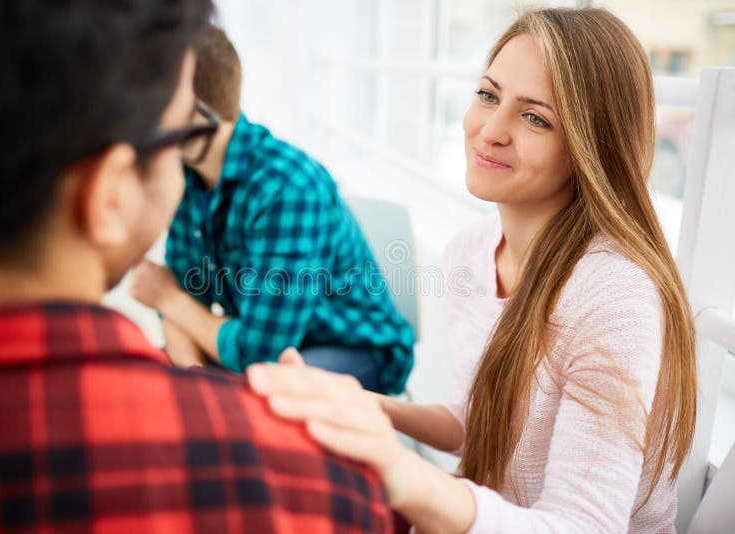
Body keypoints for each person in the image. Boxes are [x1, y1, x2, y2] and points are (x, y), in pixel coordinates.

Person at [0, 2, 395, 532]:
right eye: (170, 138)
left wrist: (173, 307)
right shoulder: (323, 494)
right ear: (111, 194)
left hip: (342, 345)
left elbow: (245, 339)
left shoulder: (289, 186)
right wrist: (190, 370)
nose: (173, 164)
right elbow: (188, 298)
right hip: (253, 340)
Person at [244, 7, 697, 533]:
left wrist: (403, 472)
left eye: (535, 118)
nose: (490, 130)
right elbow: (474, 424)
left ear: (590, 148)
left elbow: (587, 526)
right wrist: (362, 406)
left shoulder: (613, 296)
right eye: (488, 95)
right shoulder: (471, 252)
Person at [128, 26, 415, 395]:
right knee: (156, 388)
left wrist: (167, 297)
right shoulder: (185, 173)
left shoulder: (287, 188)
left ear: (196, 115)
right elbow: (183, 301)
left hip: (350, 349)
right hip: (266, 345)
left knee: (261, 401)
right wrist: (194, 383)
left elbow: (257, 352)